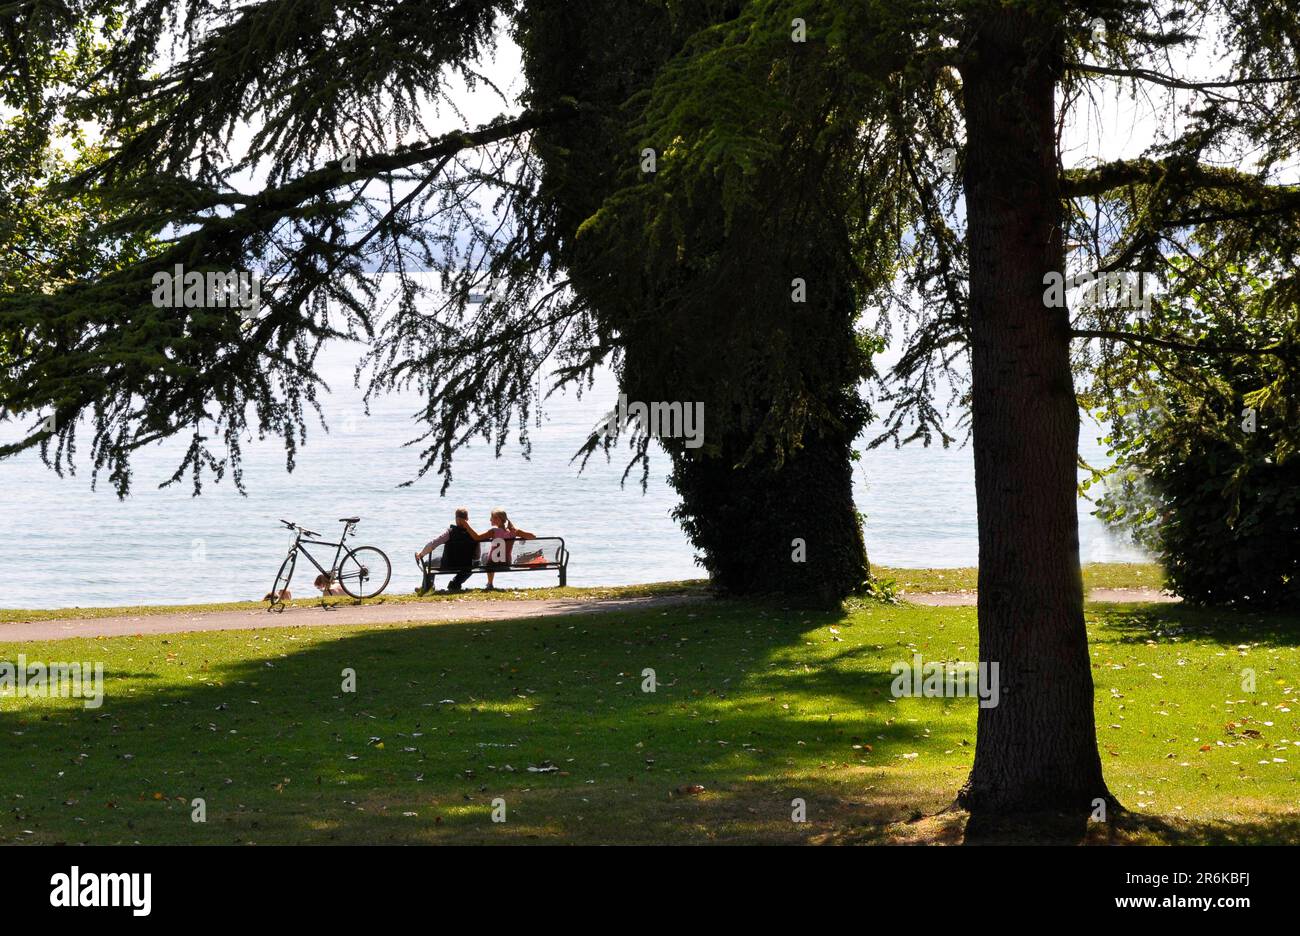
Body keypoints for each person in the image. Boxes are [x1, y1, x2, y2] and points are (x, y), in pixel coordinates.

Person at [460, 508, 535, 591]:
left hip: (491, 565)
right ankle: (490, 583)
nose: (490, 519)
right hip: (506, 564)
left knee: (485, 555)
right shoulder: (514, 531)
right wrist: (521, 535)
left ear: (497, 519)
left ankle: (490, 583)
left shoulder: (494, 531)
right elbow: (532, 536)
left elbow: (477, 537)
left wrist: (466, 525)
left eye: (491, 517)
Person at [415, 507, 481, 593]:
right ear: (467, 519)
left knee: (428, 563)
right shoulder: (474, 535)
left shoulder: (450, 533)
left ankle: (428, 586)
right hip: (466, 565)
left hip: (448, 563)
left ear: (456, 519)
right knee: (472, 566)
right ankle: (456, 583)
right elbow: (477, 556)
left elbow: (433, 544)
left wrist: (421, 554)